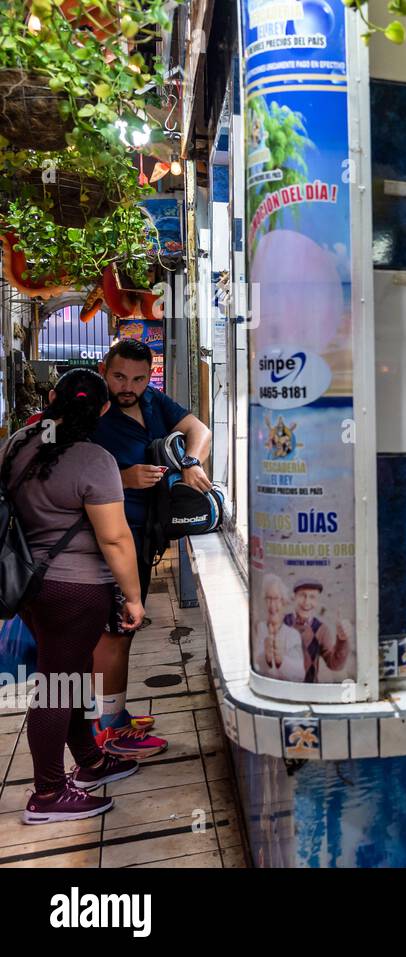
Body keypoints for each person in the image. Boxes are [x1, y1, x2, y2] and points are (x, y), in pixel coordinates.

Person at [2, 370, 145, 824]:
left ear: (51, 398)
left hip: (29, 585)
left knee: (74, 672)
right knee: (57, 685)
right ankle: (46, 794)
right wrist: (134, 598)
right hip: (75, 590)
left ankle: (90, 760)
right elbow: (116, 539)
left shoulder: (19, 442)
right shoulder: (93, 460)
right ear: (103, 409)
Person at [90, 338, 213, 757]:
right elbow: (69, 470)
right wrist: (122, 479)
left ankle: (113, 715)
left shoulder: (153, 402)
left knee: (122, 631)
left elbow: (200, 430)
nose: (129, 386)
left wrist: (190, 462)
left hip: (141, 539)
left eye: (139, 378)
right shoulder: (93, 412)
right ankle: (109, 728)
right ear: (105, 368)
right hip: (105, 545)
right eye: (121, 376)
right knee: (115, 633)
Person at [284, 581, 349, 683]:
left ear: (317, 601)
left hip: (310, 690)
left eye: (312, 597)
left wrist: (342, 639)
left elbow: (335, 665)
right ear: (294, 597)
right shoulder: (282, 623)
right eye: (302, 595)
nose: (306, 602)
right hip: (285, 688)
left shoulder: (322, 629)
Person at [255, 574, 304, 682]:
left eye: (276, 599)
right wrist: (265, 658)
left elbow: (301, 673)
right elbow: (254, 664)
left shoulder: (293, 635)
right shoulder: (259, 628)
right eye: (268, 598)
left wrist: (281, 660)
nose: (272, 605)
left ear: (284, 602)